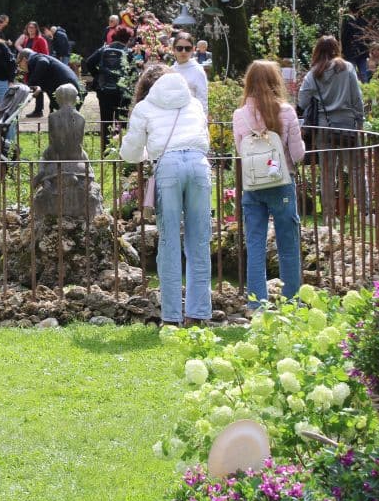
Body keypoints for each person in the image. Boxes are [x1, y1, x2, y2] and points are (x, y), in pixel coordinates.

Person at [119, 64, 211, 325]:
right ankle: (198, 314)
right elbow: (203, 138)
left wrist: (148, 152)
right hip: (198, 163)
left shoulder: (145, 107)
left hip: (168, 166)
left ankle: (171, 317)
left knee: (169, 242)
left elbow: (130, 153)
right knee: (199, 241)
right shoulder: (192, 103)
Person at [233, 60, 305, 307]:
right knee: (288, 244)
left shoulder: (240, 115)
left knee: (255, 246)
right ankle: (291, 301)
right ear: (276, 81)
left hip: (253, 186)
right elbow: (297, 154)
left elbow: (241, 152)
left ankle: (256, 304)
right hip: (281, 183)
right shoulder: (286, 112)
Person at [297, 36, 364, 220]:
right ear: (337, 48)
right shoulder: (347, 68)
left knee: (326, 172)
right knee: (356, 169)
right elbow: (356, 97)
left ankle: (328, 215)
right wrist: (360, 121)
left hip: (325, 127)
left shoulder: (313, 74)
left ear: (317, 51)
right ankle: (364, 212)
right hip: (348, 125)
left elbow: (301, 101)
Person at [84, 26, 132, 144]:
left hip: (104, 90)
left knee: (106, 121)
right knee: (121, 122)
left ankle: (105, 151)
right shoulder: (128, 52)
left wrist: (98, 75)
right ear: (128, 39)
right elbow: (133, 71)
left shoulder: (103, 49)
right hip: (122, 92)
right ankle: (120, 149)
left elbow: (89, 62)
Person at [18, 48, 81, 119]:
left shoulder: (34, 58)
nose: (19, 67)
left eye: (19, 63)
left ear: (24, 59)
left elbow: (43, 63)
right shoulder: (37, 58)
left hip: (69, 90)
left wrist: (31, 83)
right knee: (56, 115)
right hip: (71, 88)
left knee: (63, 118)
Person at [16, 22, 51, 116]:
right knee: (37, 88)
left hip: (39, 67)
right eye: (29, 27)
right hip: (30, 68)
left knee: (40, 88)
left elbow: (45, 54)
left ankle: (39, 110)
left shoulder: (41, 40)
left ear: (36, 29)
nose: (30, 29)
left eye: (32, 27)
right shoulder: (27, 39)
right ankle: (38, 110)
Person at [171, 31, 209, 114]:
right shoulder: (170, 71)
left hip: (191, 118)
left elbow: (202, 99)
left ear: (193, 50)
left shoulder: (198, 71)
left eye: (187, 48)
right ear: (173, 49)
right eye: (179, 48)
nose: (183, 51)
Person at [341, 10, 369, 81]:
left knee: (351, 74)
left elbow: (344, 38)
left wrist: (343, 51)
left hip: (351, 52)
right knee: (363, 73)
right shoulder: (365, 22)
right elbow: (368, 37)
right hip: (362, 51)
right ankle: (366, 89)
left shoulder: (348, 22)